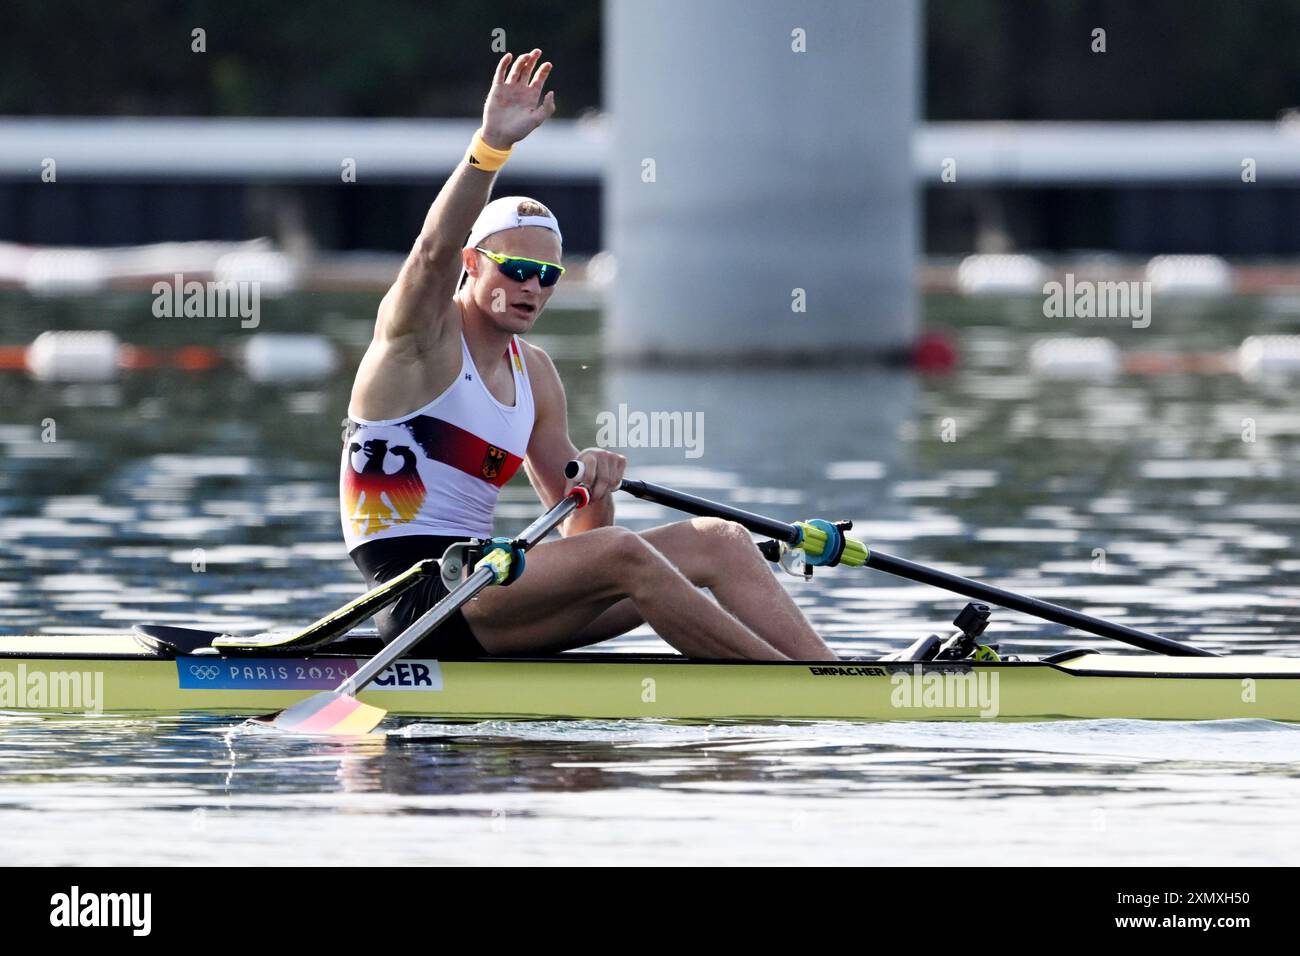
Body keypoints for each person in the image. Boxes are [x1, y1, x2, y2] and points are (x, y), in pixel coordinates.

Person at [341, 49, 837, 662]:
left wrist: (593, 483)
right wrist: (491, 146)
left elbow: (585, 541)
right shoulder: (418, 342)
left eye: (547, 276)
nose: (533, 288)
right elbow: (430, 250)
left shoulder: (537, 375)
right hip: (420, 601)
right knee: (626, 554)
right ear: (471, 266)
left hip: (486, 589)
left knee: (719, 540)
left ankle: (833, 673)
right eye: (518, 269)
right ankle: (793, 687)